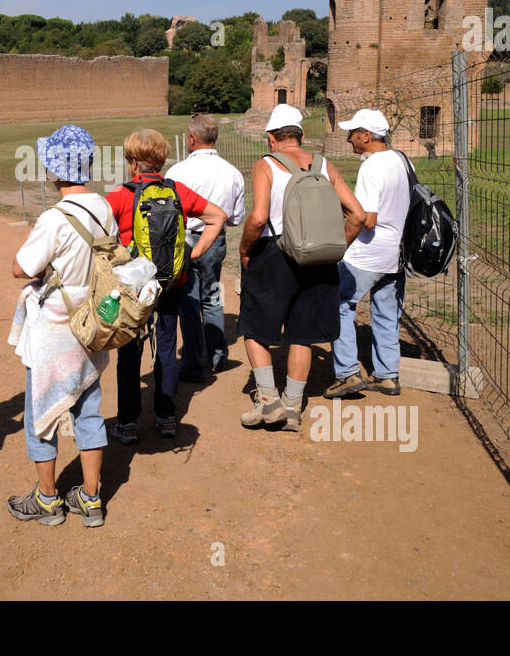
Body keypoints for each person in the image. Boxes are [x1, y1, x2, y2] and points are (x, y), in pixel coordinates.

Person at [7, 124, 118, 527]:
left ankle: (49, 499)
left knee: (42, 411)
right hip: (93, 323)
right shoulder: (103, 208)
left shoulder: (55, 218)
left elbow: (21, 268)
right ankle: (91, 499)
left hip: (55, 326)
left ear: (53, 170)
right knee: (89, 409)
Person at [237, 105, 366, 431]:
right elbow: (358, 216)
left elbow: (258, 218)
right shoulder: (324, 165)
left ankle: (268, 402)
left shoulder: (265, 165)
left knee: (254, 326)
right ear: (301, 134)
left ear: (270, 138)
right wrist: (337, 249)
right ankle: (292, 407)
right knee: (303, 333)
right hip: (319, 258)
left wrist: (244, 251)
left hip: (274, 254)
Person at [107, 129, 226, 442]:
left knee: (129, 351)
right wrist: (192, 254)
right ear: (160, 161)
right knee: (167, 345)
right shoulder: (178, 192)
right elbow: (218, 217)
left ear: (133, 163)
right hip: (173, 281)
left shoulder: (119, 196)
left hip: (134, 287)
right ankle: (166, 418)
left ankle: (128, 422)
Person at [325, 109, 411, 398]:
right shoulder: (402, 160)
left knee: (339, 304)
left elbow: (367, 219)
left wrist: (341, 244)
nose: (349, 138)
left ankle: (347, 372)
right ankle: (387, 375)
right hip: (396, 253)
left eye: (352, 133)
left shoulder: (372, 166)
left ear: (366, 135)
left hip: (368, 254)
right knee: (386, 312)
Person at [167, 114, 245, 382]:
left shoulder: (176, 172)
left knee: (188, 302)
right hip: (215, 241)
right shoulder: (232, 172)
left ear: (191, 138)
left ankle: (192, 362)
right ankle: (216, 355)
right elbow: (235, 218)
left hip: (186, 240)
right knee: (212, 296)